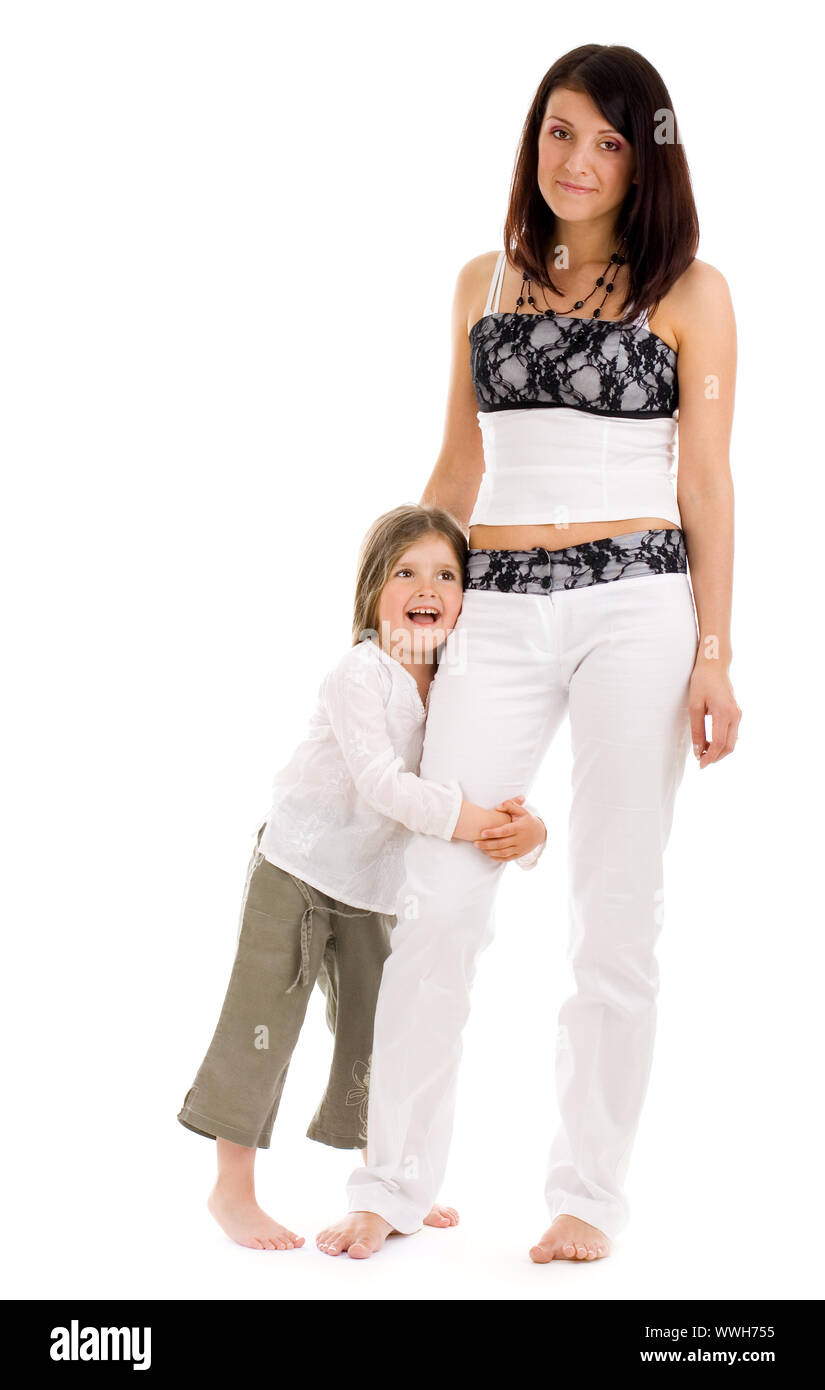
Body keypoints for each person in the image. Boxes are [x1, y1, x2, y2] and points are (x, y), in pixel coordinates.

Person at [317, 43, 742, 1263]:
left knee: (615, 909)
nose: (579, 160)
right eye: (561, 131)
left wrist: (716, 651)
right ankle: (391, 1184)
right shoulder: (482, 284)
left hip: (638, 605)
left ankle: (587, 1197)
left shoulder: (691, 291)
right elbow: (456, 473)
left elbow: (706, 482)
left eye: (610, 140)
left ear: (646, 158)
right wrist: (392, 620)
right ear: (534, 137)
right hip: (494, 604)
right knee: (441, 896)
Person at [177, 503, 547, 1251]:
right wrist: (470, 821)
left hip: (373, 888)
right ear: (374, 590)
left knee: (382, 1032)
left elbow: (492, 780)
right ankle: (231, 1188)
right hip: (298, 866)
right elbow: (382, 784)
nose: (427, 586)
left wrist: (527, 832)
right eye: (406, 571)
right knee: (262, 1025)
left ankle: (392, 1182)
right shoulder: (361, 673)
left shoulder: (457, 687)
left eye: (446, 574)